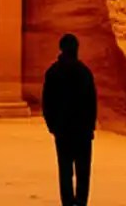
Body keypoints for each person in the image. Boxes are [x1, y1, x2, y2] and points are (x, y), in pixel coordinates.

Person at [42, 33, 97, 206]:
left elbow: (47, 102)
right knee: (83, 172)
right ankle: (80, 202)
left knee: (65, 171)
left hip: (63, 130)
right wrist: (90, 128)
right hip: (82, 132)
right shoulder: (84, 72)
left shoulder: (53, 73)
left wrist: (53, 126)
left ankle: (67, 202)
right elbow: (91, 103)